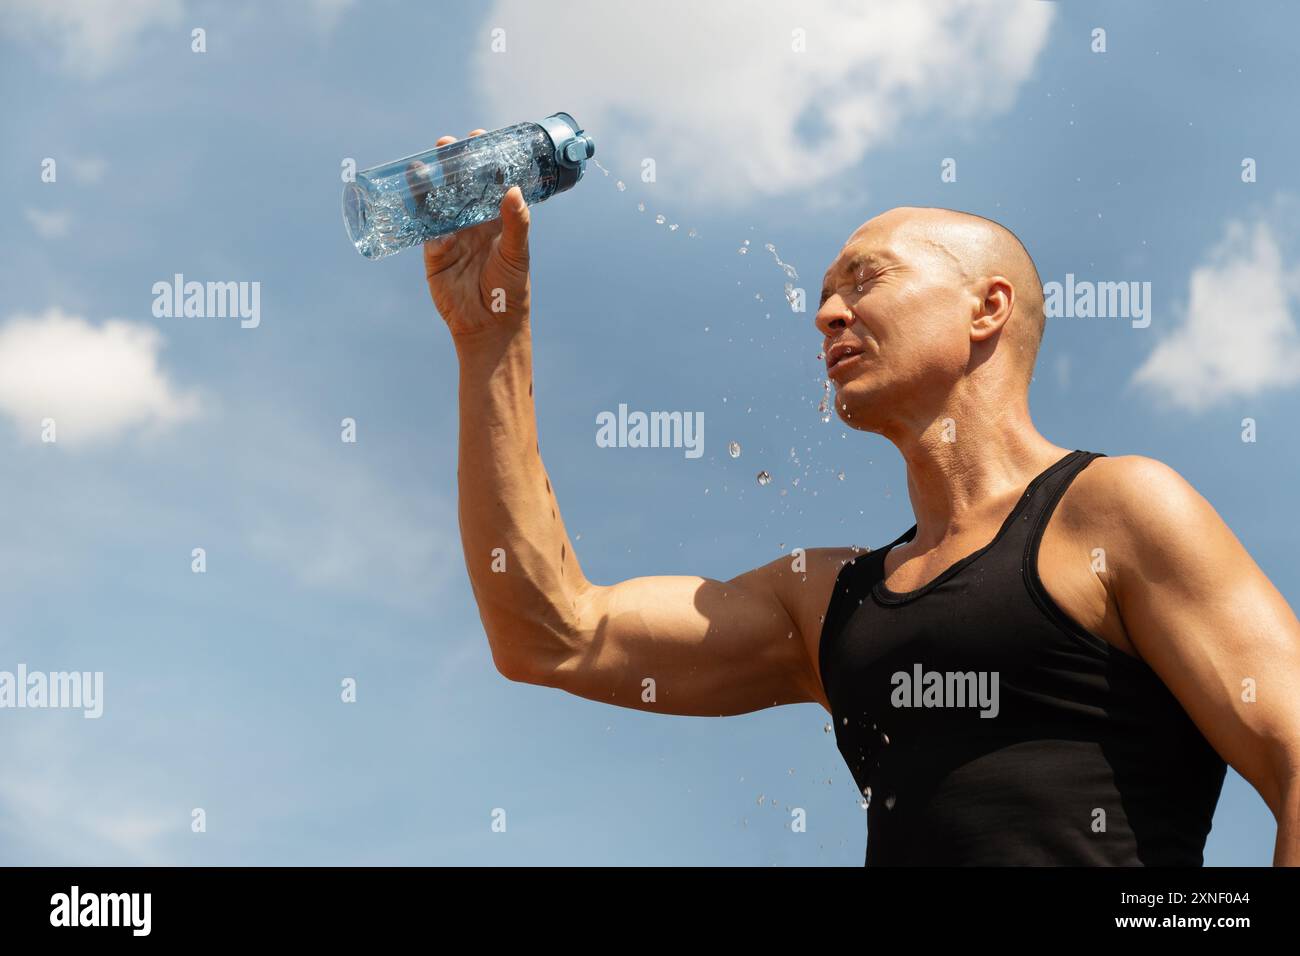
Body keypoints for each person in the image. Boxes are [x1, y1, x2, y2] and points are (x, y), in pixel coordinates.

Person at [425, 129, 1300, 866]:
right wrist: (488, 340)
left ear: (986, 308)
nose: (827, 315)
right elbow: (551, 635)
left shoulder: (1118, 511)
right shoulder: (827, 602)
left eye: (864, 280)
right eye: (822, 297)